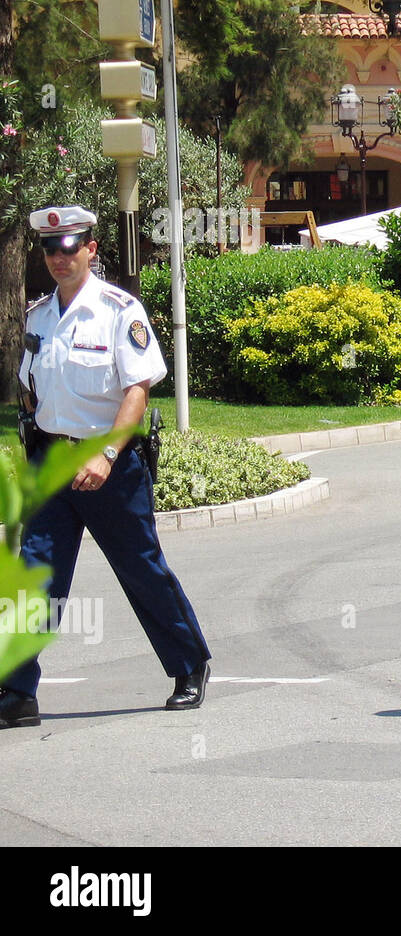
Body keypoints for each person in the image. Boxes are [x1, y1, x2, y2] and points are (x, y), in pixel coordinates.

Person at [0, 206, 211, 731]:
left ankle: (189, 665)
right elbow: (31, 391)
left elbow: (137, 390)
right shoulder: (38, 316)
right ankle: (18, 692)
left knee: (141, 568)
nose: (59, 258)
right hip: (53, 463)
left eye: (70, 247)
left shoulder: (120, 310)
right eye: (51, 249)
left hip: (110, 465)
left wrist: (109, 453)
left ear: (91, 250)